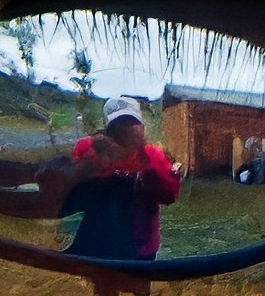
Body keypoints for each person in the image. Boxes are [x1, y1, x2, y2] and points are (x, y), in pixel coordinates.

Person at [63, 105, 179, 269]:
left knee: (137, 288)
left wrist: (149, 170)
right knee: (102, 287)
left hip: (140, 248)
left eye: (132, 122)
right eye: (120, 124)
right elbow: (74, 195)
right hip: (97, 244)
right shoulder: (93, 153)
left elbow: (168, 195)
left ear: (142, 128)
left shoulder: (152, 157)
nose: (127, 129)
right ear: (108, 131)